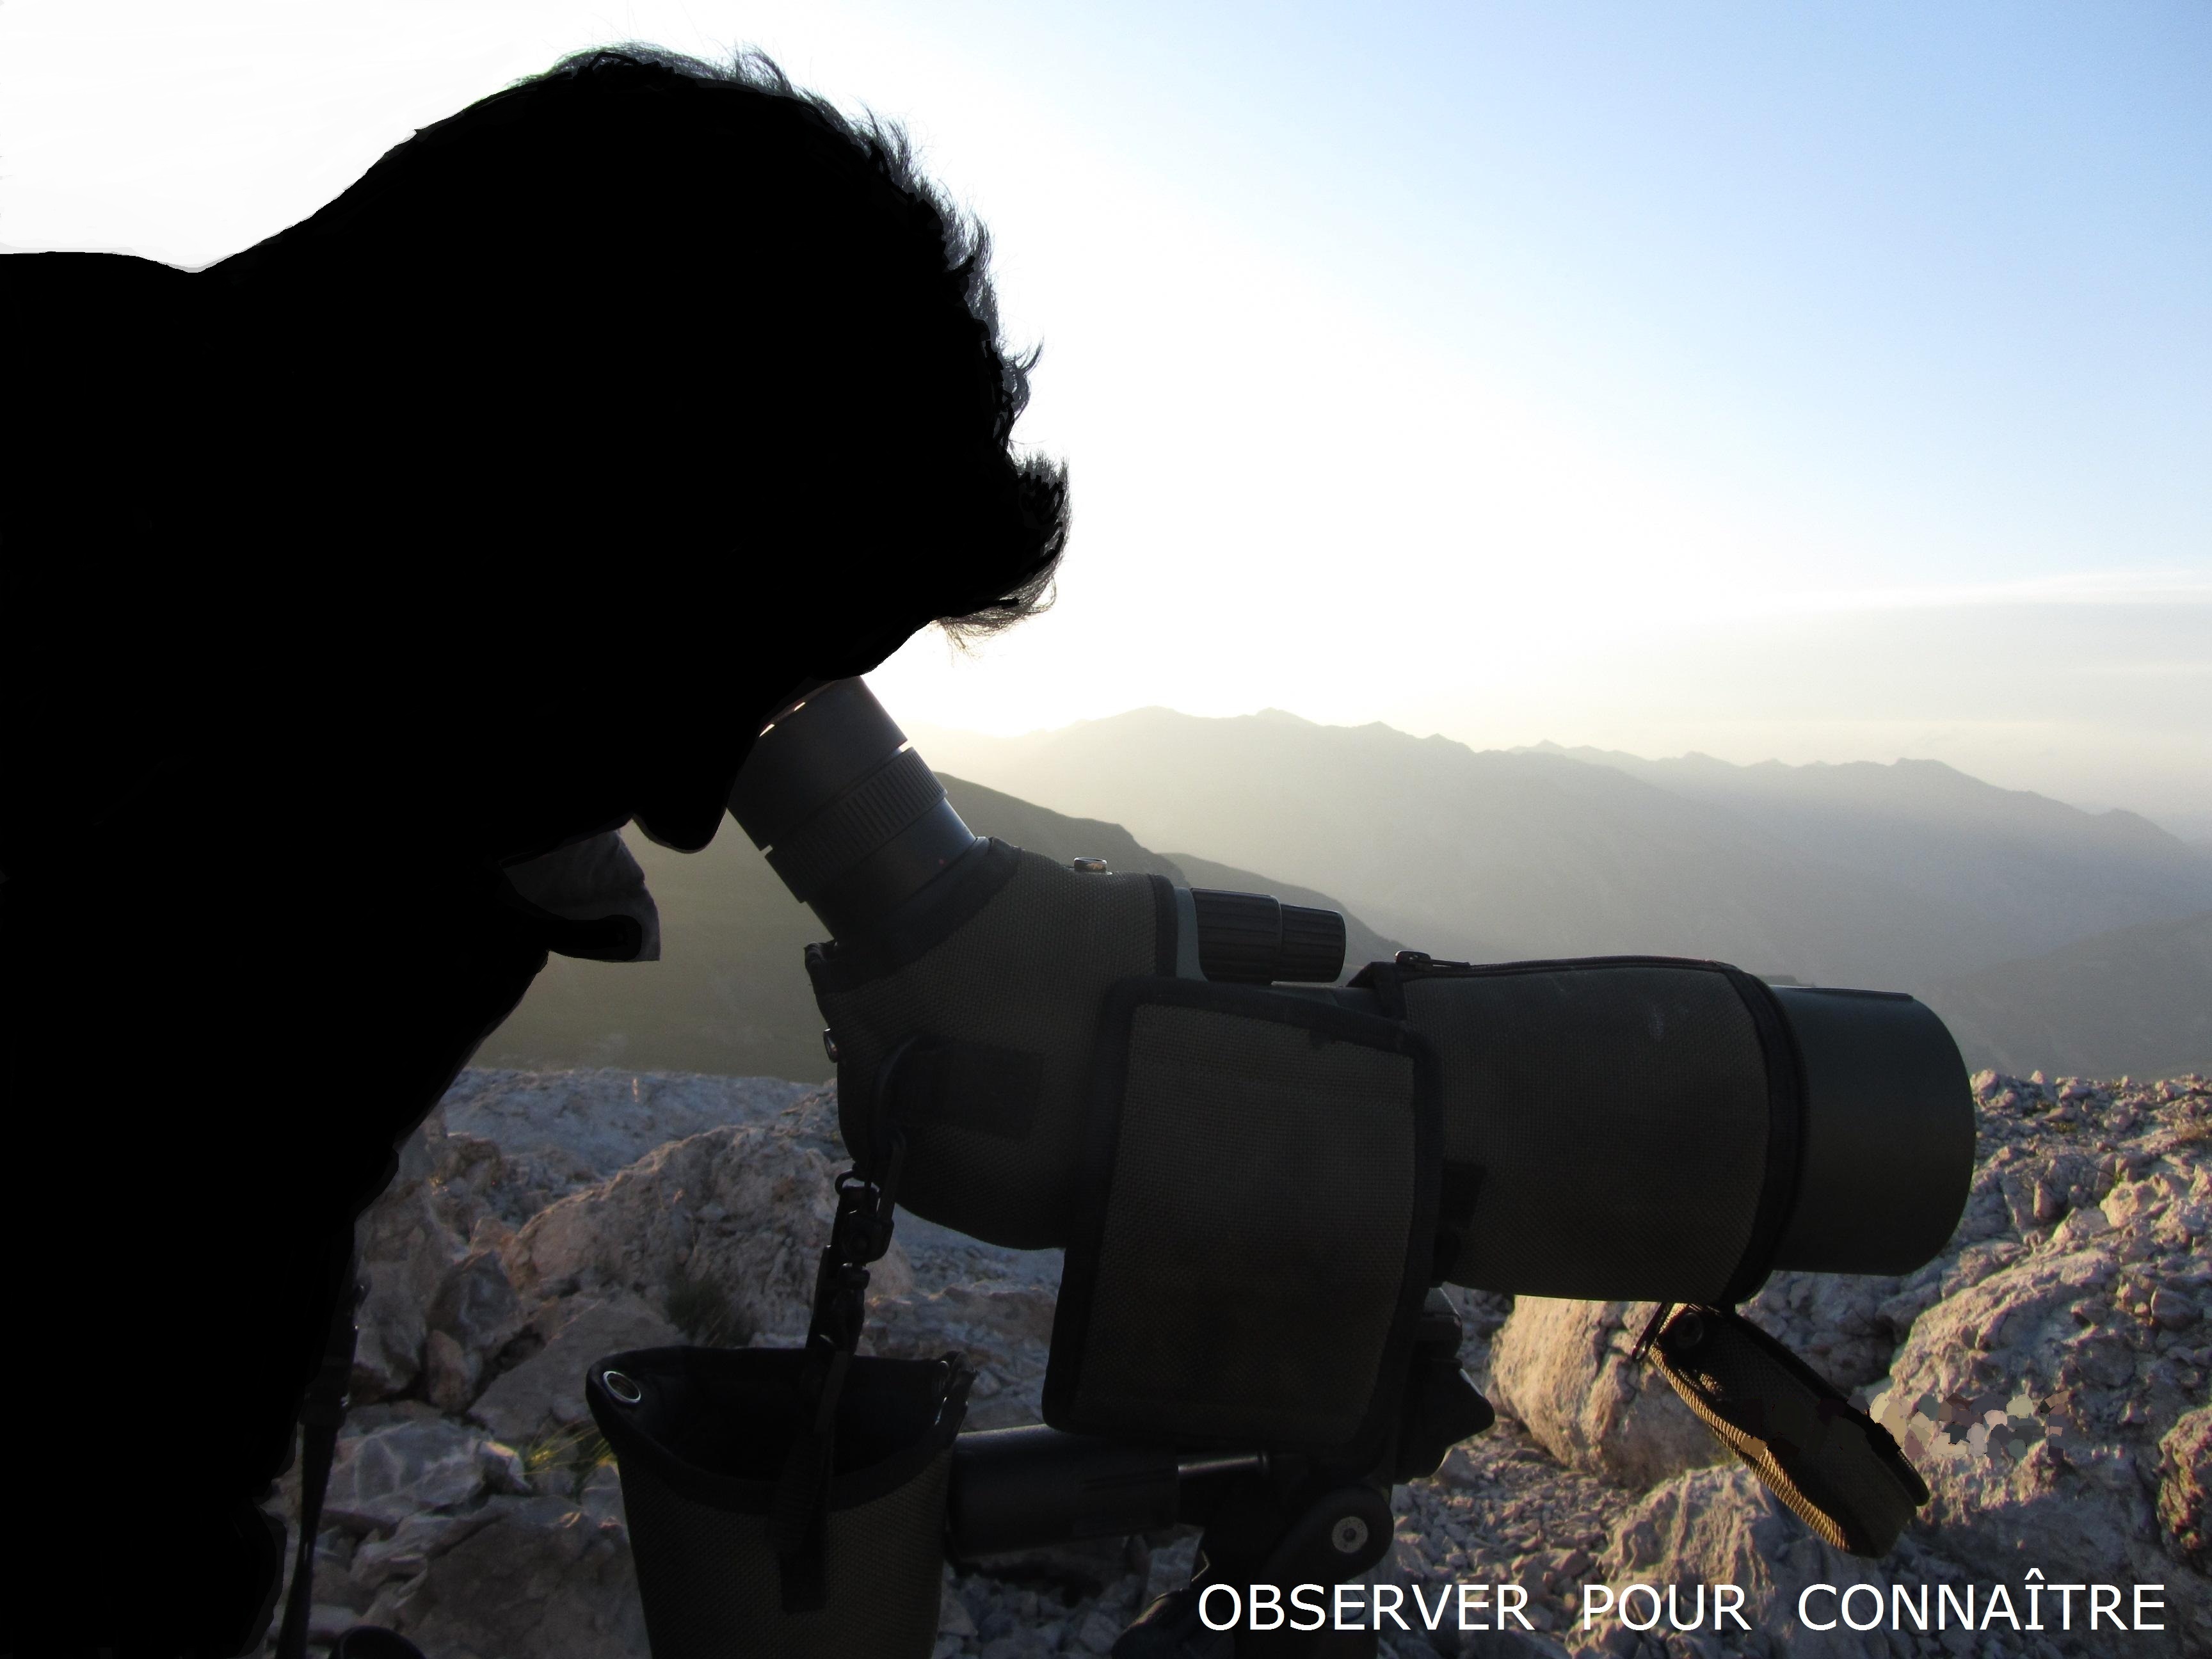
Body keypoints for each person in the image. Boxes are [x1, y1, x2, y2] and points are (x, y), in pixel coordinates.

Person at [0, 43, 1068, 1657]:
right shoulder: (175, 866)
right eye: (704, 672)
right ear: (517, 482)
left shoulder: (273, 793)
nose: (693, 813)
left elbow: (115, 1503)